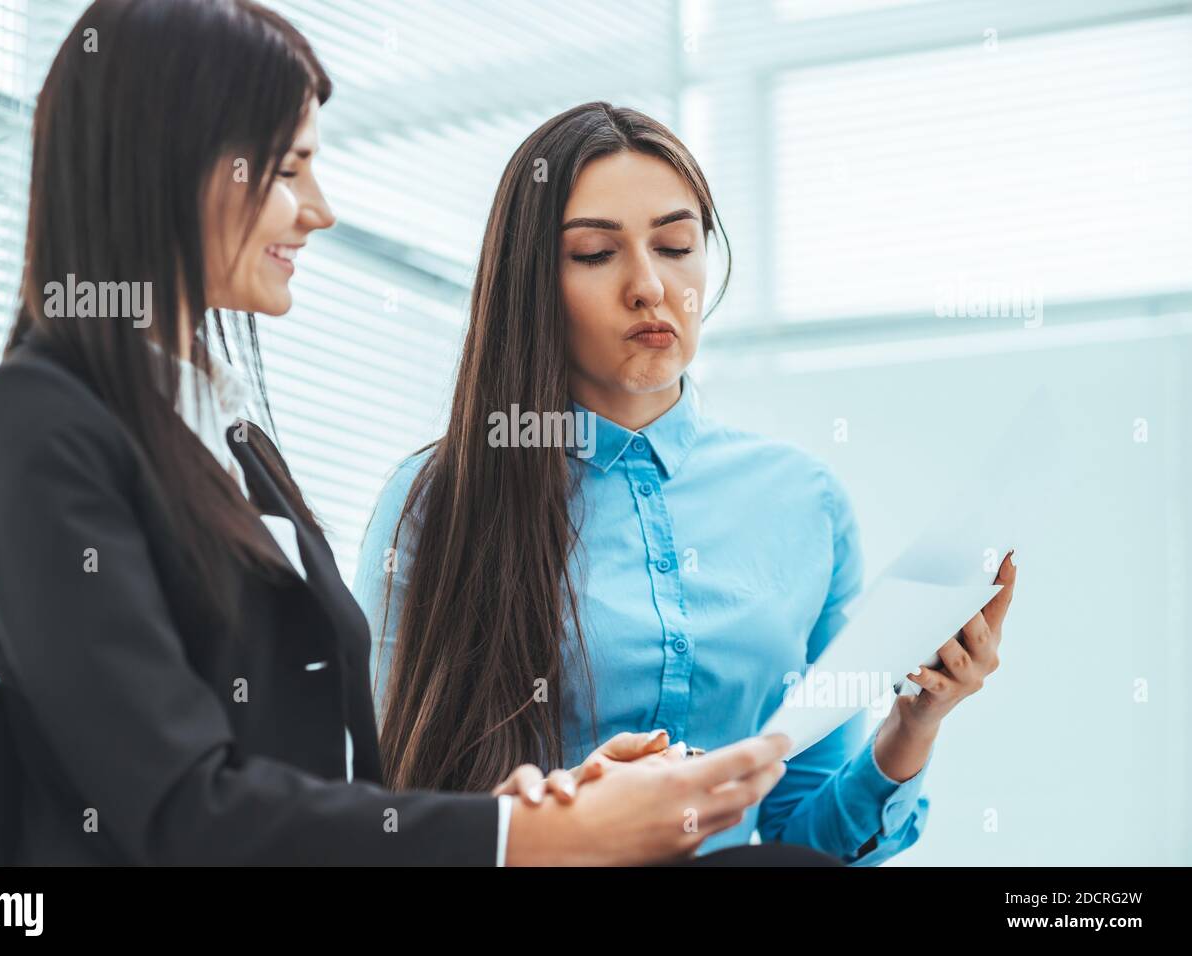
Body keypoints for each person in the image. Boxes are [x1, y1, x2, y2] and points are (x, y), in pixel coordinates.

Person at [0, 0, 795, 866]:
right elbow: (181, 812)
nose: (320, 211)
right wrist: (528, 836)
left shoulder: (224, 437)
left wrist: (540, 806)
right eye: (288, 170)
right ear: (168, 168)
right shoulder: (42, 436)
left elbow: (329, 793)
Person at [356, 102, 1018, 864]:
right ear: (531, 282)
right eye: (597, 254)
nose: (650, 286)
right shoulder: (440, 499)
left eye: (676, 245)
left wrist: (915, 723)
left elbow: (807, 839)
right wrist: (578, 814)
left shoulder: (804, 503)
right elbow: (387, 817)